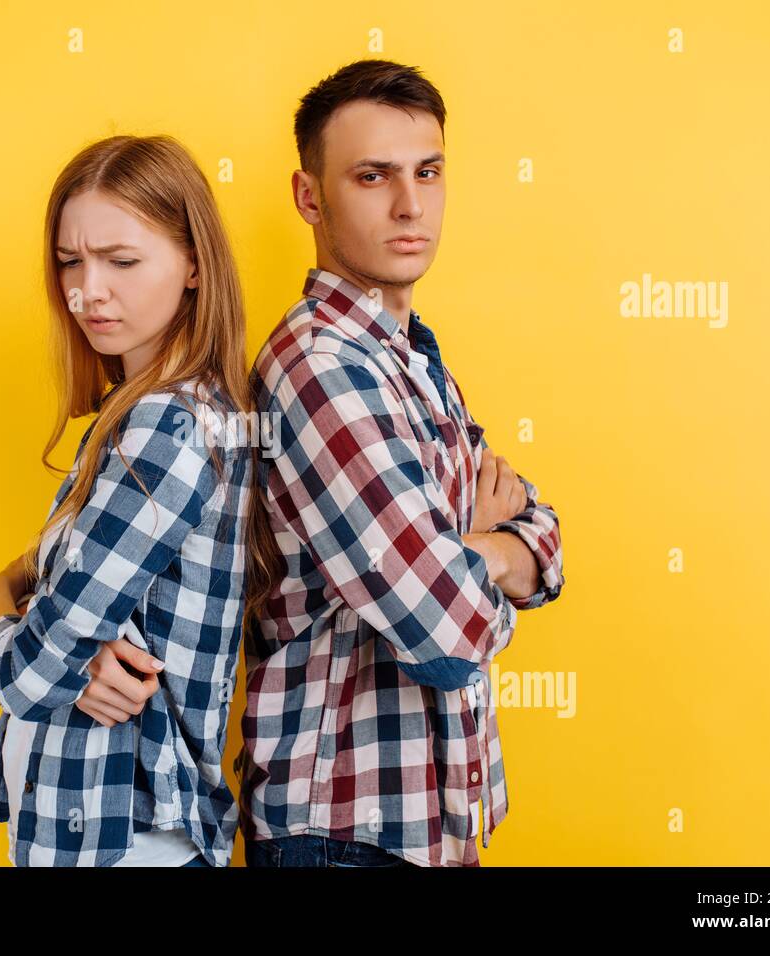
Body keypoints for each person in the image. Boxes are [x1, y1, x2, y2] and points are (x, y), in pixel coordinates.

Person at [236, 59, 566, 867]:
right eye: (373, 176)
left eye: (428, 172)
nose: (411, 204)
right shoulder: (319, 366)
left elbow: (546, 538)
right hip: (345, 830)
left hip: (434, 819)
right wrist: (487, 545)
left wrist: (469, 548)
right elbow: (446, 634)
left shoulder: (414, 360)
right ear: (310, 197)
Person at [0, 134, 256, 867]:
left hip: (123, 841)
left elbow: (30, 673)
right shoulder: (140, 419)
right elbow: (58, 613)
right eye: (71, 261)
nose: (86, 290)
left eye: (121, 261)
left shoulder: (167, 426)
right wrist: (44, 621)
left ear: (194, 265)